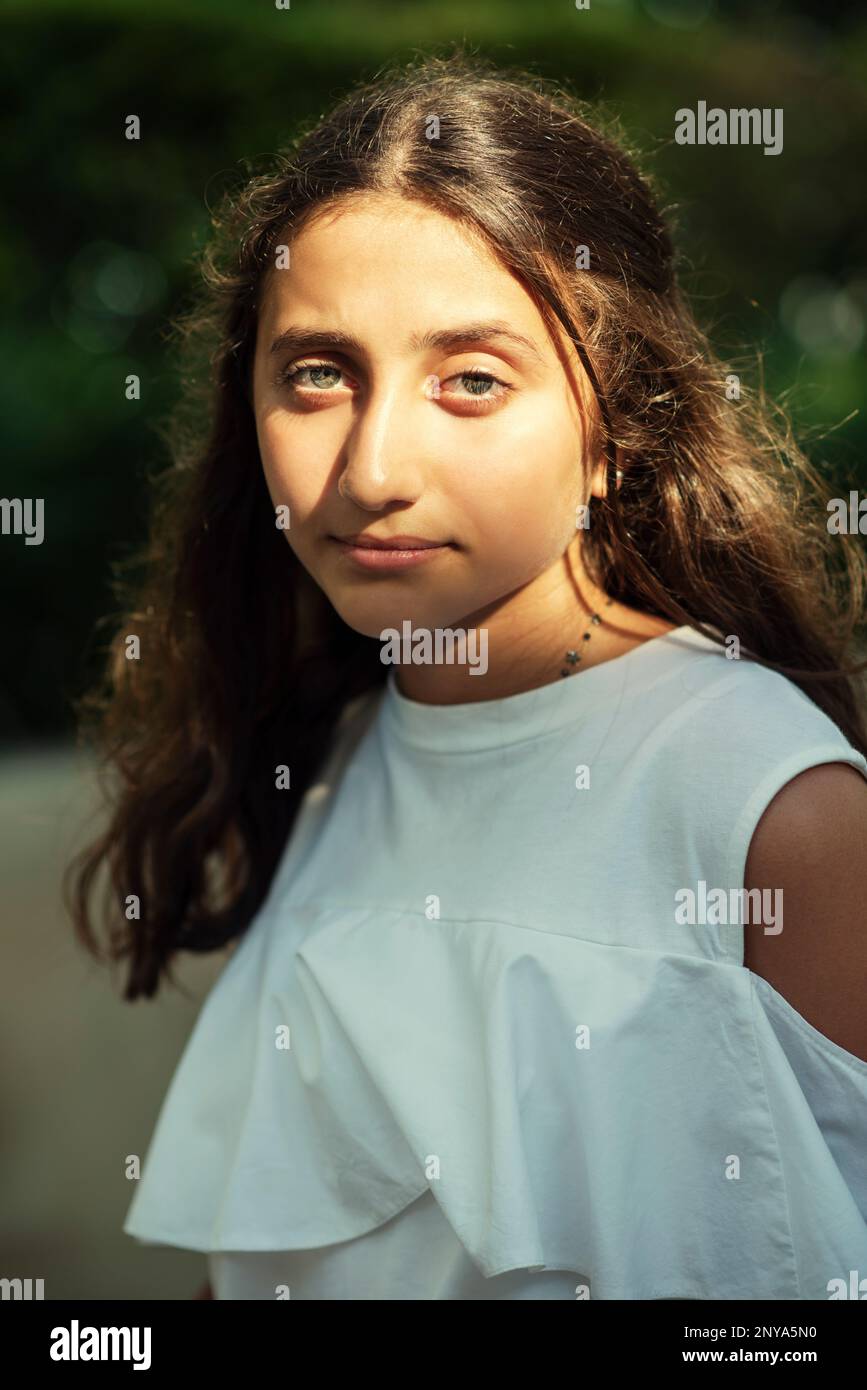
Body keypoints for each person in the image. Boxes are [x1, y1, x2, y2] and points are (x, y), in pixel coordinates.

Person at [67, 49, 867, 1301]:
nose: (375, 466)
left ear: (614, 430)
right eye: (320, 373)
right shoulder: (322, 766)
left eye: (473, 382)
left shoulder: (780, 815)